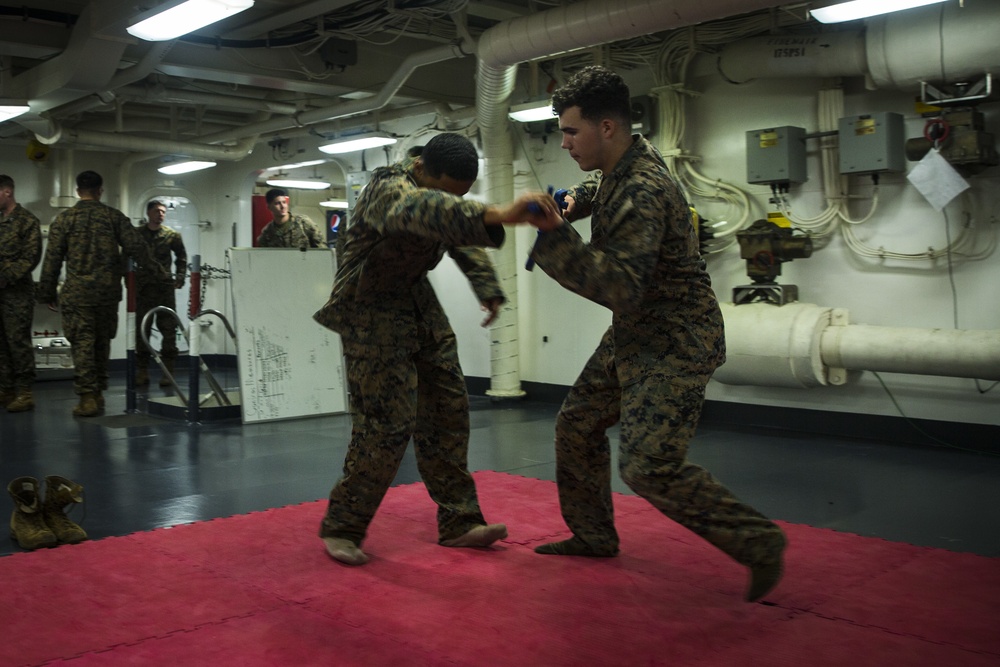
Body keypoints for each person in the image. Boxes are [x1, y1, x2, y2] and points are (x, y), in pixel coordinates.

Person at [527, 66, 787, 602]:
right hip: (639, 331)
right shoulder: (623, 164)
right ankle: (594, 534)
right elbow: (597, 186)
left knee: (647, 464)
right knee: (577, 426)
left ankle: (758, 541)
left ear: (607, 127)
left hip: (675, 339)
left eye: (572, 131)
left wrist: (554, 238)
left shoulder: (642, 190)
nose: (564, 141)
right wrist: (572, 203)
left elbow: (619, 287)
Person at [313, 132, 560, 565]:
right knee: (386, 423)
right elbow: (425, 211)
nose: (453, 199)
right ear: (422, 169)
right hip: (368, 305)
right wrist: (500, 212)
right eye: (449, 192)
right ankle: (343, 526)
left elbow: (454, 231)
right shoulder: (388, 188)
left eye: (462, 196)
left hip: (415, 302)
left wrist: (486, 286)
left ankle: (460, 522)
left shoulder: (437, 187)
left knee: (448, 410)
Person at [37, 171, 167, 417]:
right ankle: (98, 393)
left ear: (78, 191)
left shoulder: (64, 219)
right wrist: (160, 273)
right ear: (100, 190)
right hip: (107, 293)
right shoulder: (113, 217)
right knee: (101, 342)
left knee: (83, 344)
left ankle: (88, 397)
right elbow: (137, 247)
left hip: (78, 294)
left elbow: (52, 258)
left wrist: (46, 293)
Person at [0, 175, 42, 413]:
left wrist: (5, 277)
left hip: (16, 294)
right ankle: (6, 389)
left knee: (18, 342)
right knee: (2, 344)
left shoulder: (27, 221)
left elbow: (30, 258)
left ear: (7, 192)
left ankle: (25, 392)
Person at [134, 200, 188, 388]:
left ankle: (168, 372)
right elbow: (127, 256)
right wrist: (128, 281)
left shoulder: (172, 235)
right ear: (148, 212)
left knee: (168, 330)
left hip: (164, 288)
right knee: (143, 331)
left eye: (163, 212)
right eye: (157, 211)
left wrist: (181, 276)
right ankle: (142, 371)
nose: (161, 214)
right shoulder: (137, 234)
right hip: (144, 289)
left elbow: (182, 257)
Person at [256, 187, 324, 248]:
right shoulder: (267, 233)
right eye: (277, 203)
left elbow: (321, 248)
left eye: (284, 202)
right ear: (269, 207)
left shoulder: (303, 223)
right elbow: (263, 256)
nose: (282, 206)